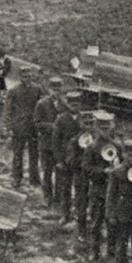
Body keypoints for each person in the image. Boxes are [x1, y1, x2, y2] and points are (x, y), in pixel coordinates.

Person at [81, 112, 118, 258]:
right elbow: (86, 168)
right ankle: (94, 251)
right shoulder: (91, 147)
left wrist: (116, 168)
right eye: (102, 127)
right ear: (97, 128)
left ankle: (112, 250)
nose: (105, 130)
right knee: (96, 221)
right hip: (98, 189)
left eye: (107, 126)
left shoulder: (116, 146)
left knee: (113, 223)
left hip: (113, 191)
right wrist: (103, 171)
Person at [3, 70, 42, 190]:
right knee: (18, 154)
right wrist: (9, 127)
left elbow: (40, 106)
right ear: (20, 77)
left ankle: (34, 178)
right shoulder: (13, 91)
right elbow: (8, 110)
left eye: (29, 76)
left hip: (33, 126)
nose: (27, 79)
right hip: (19, 127)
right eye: (24, 77)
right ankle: (17, 178)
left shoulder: (37, 89)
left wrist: (39, 124)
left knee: (34, 154)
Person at [49, 91, 83, 226]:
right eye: (72, 104)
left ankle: (79, 215)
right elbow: (55, 142)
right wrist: (58, 160)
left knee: (80, 189)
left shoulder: (84, 119)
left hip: (80, 159)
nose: (75, 107)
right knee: (65, 188)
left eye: (78, 104)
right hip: (65, 159)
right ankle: (65, 214)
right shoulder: (61, 119)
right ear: (68, 104)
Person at [31, 75, 65, 204]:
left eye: (58, 88)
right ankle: (47, 196)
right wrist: (52, 127)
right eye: (54, 88)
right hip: (46, 144)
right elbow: (36, 123)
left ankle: (58, 197)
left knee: (60, 172)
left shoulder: (65, 104)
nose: (56, 91)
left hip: (60, 146)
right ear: (49, 89)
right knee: (47, 172)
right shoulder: (41, 104)